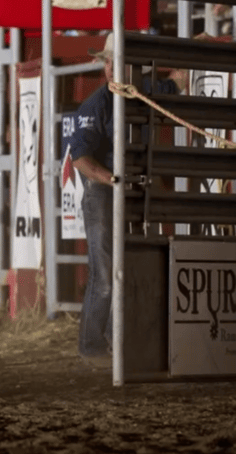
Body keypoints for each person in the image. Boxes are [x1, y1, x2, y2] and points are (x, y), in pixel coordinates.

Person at [70, 34, 187, 360]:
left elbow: (180, 80)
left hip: (131, 186)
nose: (109, 67)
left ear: (132, 67)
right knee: (106, 272)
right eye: (107, 61)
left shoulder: (145, 91)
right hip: (104, 191)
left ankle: (112, 339)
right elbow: (80, 159)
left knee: (127, 265)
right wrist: (113, 179)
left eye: (116, 61)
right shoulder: (97, 104)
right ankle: (93, 344)